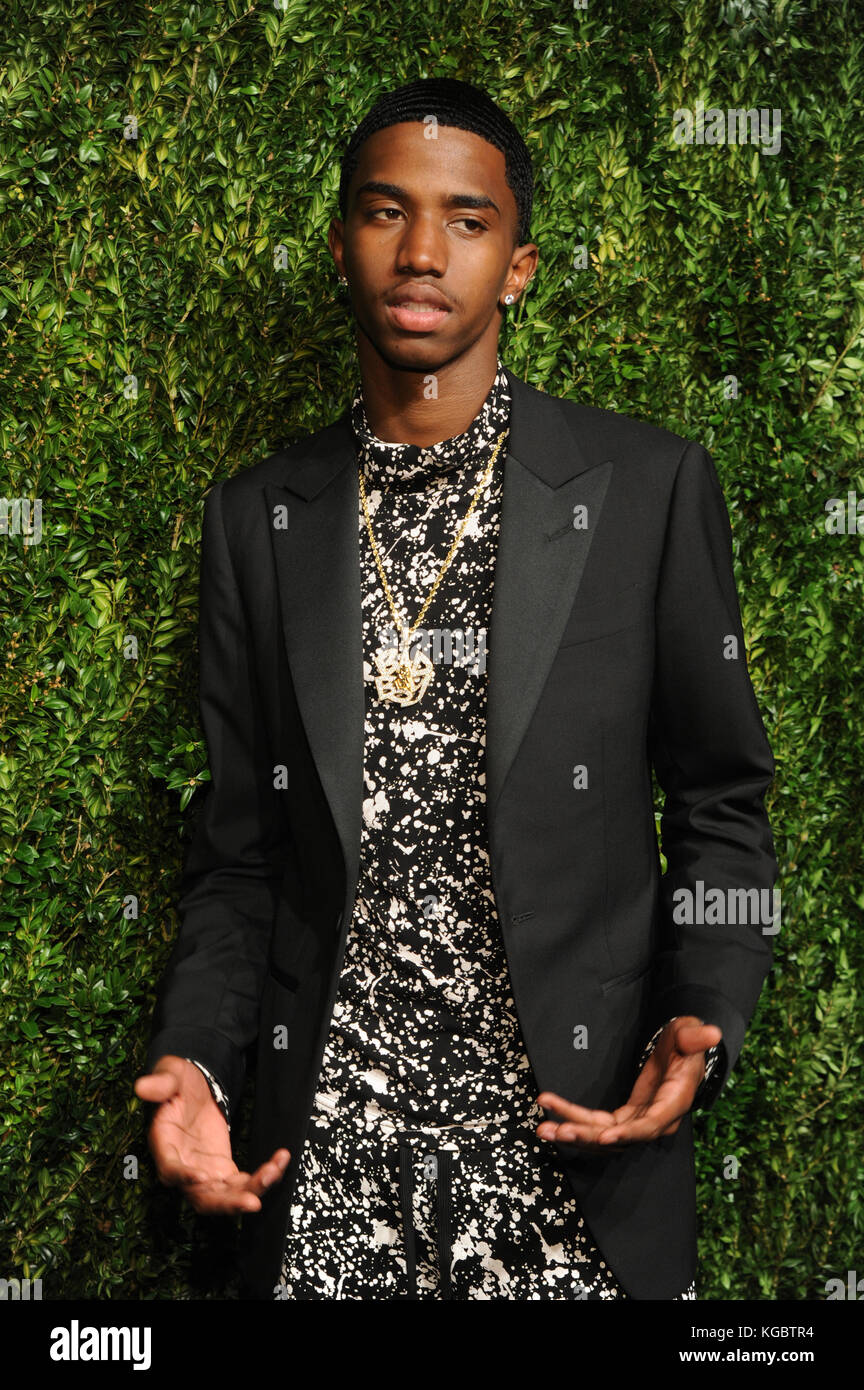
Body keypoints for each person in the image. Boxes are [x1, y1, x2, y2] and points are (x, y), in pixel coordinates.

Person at [135, 77, 778, 1301]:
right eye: (387, 212)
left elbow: (723, 799)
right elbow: (237, 859)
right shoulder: (258, 520)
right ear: (341, 244)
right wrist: (198, 1064)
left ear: (519, 266)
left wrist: (697, 1011)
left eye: (467, 220)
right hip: (328, 1181)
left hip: (573, 1162)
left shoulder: (645, 491)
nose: (423, 251)